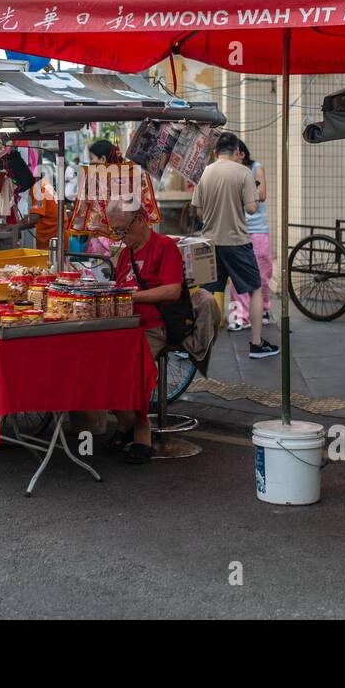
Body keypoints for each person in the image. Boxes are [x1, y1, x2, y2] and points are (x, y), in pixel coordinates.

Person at [107, 198, 185, 465]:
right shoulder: (124, 255)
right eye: (115, 232)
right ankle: (124, 418)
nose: (120, 237)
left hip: (154, 326)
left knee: (134, 365)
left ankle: (142, 428)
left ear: (140, 219)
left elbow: (172, 290)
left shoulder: (163, 247)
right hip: (125, 325)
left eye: (122, 230)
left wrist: (134, 297)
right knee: (96, 358)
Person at [192, 132, 279, 359]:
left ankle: (196, 343)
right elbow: (251, 208)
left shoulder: (206, 172)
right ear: (236, 151)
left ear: (215, 151)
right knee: (255, 289)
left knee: (206, 293)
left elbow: (199, 211)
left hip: (210, 242)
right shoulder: (243, 172)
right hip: (237, 241)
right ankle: (257, 344)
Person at [226, 140, 271, 331]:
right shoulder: (228, 172)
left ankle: (264, 309)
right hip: (236, 230)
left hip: (258, 229)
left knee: (262, 275)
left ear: (241, 153)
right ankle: (240, 316)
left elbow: (262, 195)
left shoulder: (255, 167)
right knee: (238, 278)